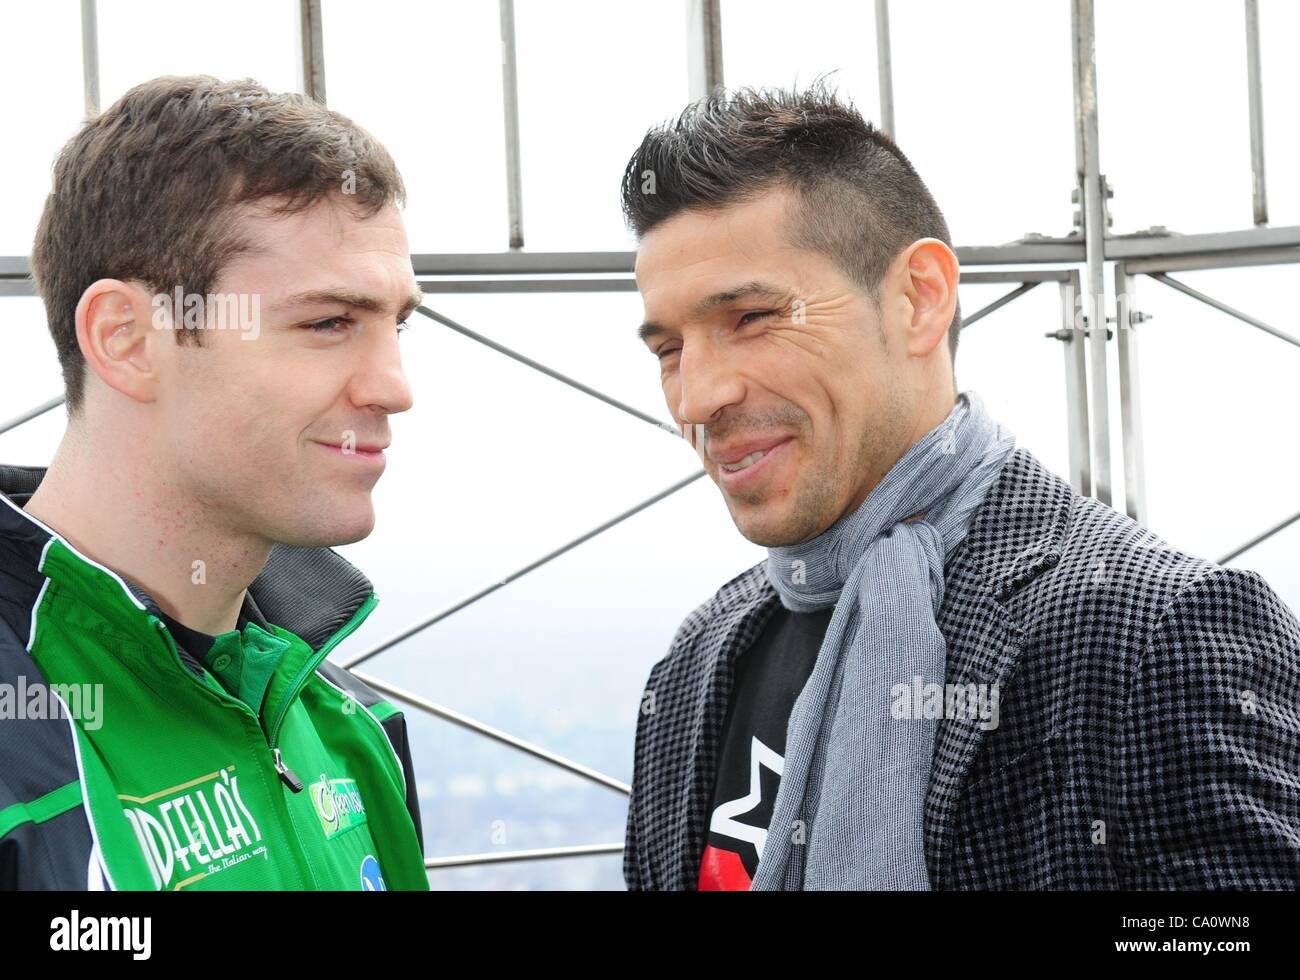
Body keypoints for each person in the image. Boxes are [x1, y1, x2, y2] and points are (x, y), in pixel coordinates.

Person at [618, 83, 1300, 890]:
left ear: (919, 299)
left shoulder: (1157, 632)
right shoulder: (696, 664)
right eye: (668, 349)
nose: (696, 400)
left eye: (752, 319)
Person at [0, 76, 428, 890]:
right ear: (126, 339)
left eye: (395, 323)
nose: (394, 386)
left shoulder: (347, 722)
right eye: (329, 323)